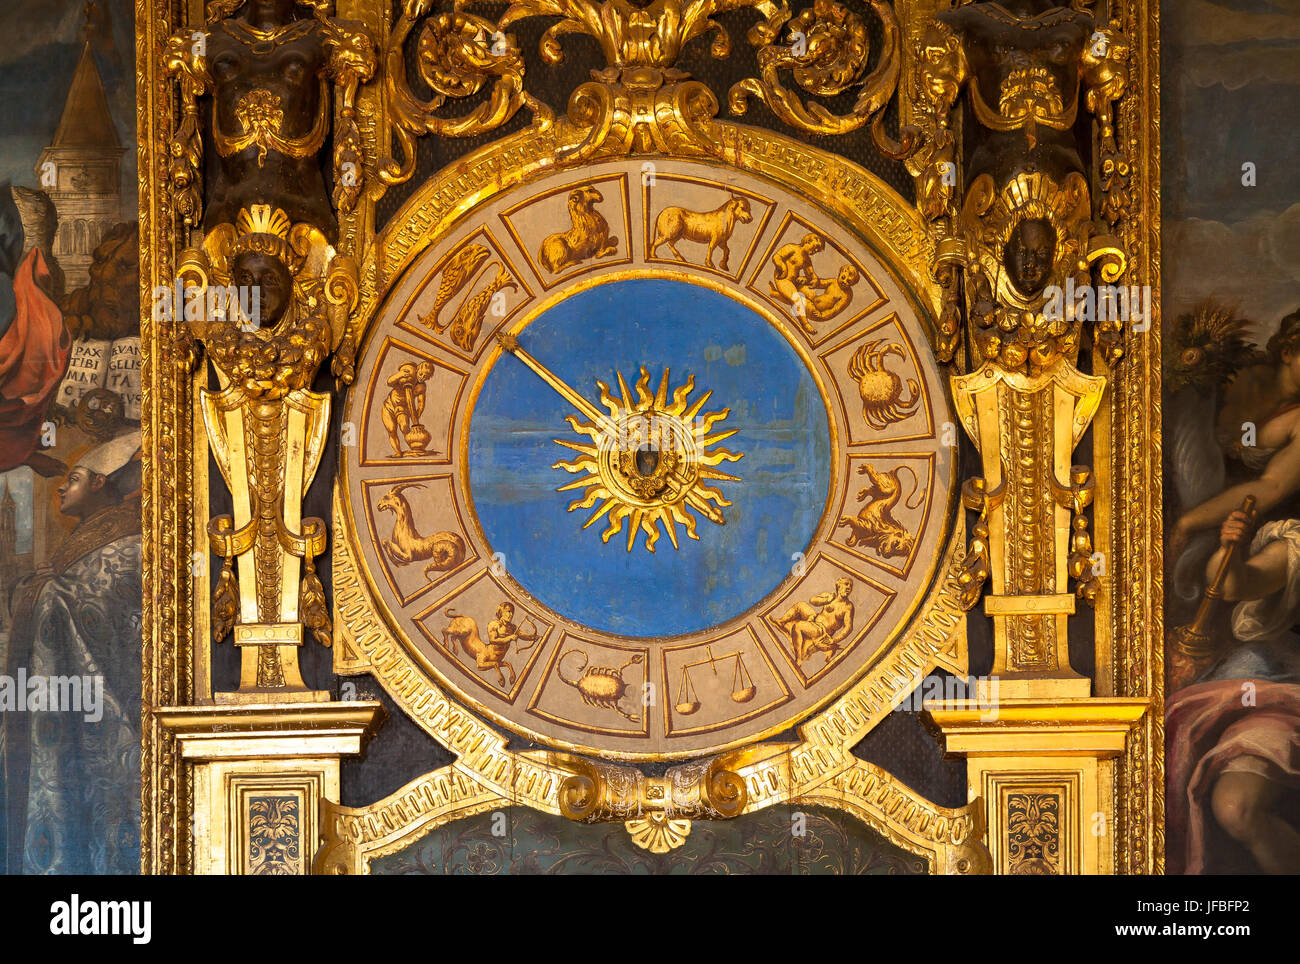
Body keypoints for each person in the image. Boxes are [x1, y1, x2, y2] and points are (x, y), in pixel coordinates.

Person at [0, 432, 141, 873]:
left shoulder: (128, 543)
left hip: (109, 711)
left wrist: (45, 591)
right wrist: (36, 588)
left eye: (75, 478)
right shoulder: (82, 544)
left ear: (101, 484)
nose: (62, 486)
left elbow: (105, 605)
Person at [1165, 507, 1300, 874]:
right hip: (1282, 691)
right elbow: (1234, 584)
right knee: (1235, 806)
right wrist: (1230, 551)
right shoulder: (1296, 544)